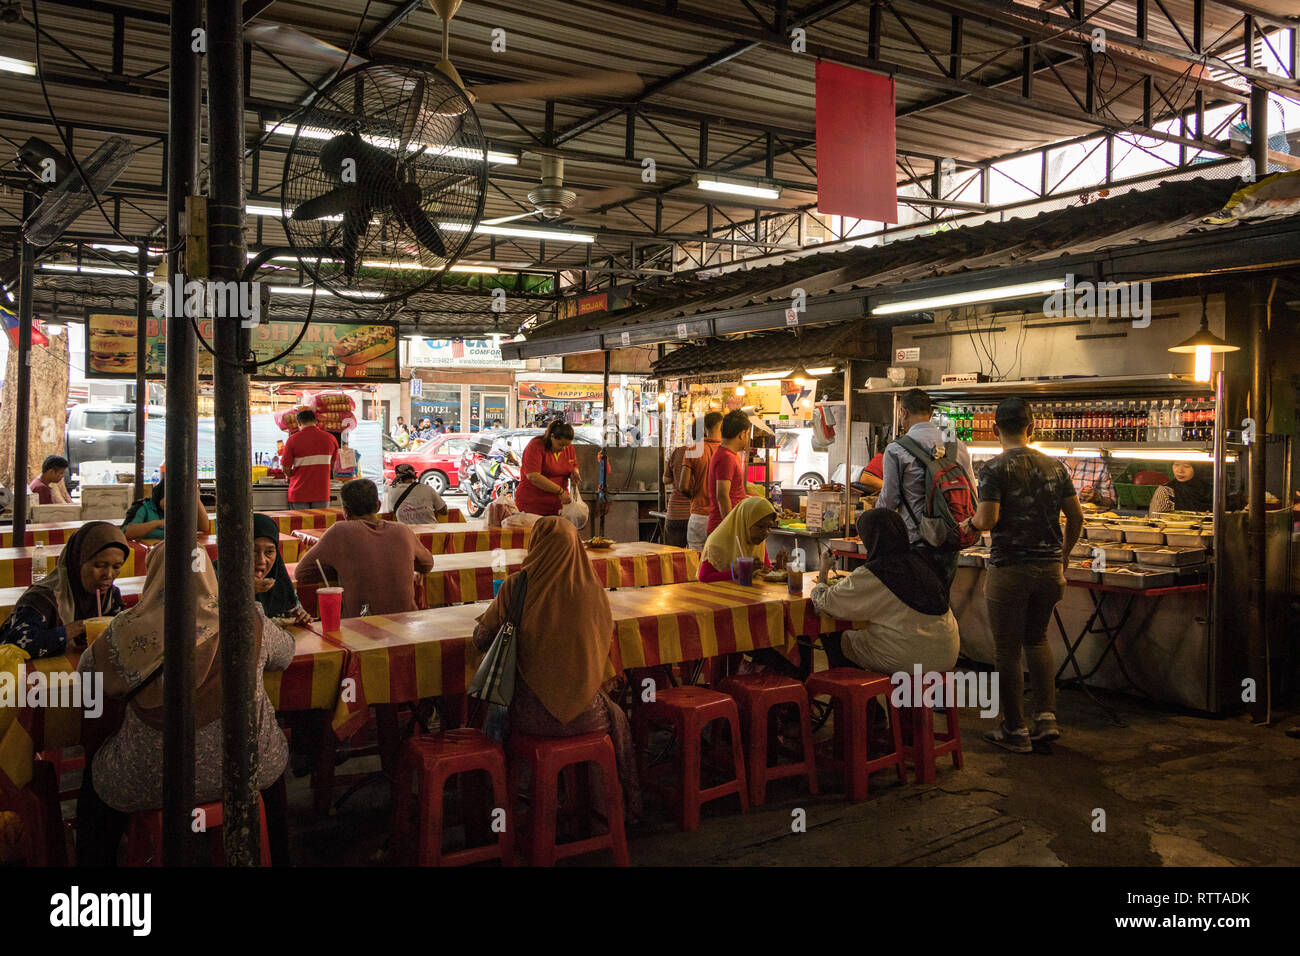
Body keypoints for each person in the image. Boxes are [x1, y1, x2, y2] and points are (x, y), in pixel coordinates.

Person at [75, 541, 293, 865]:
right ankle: (277, 854)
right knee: (266, 762)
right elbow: (285, 653)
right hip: (244, 772)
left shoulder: (124, 630)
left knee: (96, 787)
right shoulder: (247, 619)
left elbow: (87, 674)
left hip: (151, 780)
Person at [471, 516, 640, 818]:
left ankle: (503, 809)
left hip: (528, 718)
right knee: (613, 710)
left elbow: (481, 640)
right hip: (589, 718)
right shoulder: (593, 589)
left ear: (535, 545)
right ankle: (605, 812)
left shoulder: (516, 586)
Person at [962, 397, 1083, 753]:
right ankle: (1047, 719)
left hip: (1010, 569)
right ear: (1032, 428)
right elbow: (1076, 518)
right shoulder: (1056, 466)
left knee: (1007, 649)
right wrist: (1063, 556)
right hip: (1049, 570)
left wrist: (965, 524)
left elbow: (987, 520)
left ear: (996, 430)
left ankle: (1014, 729)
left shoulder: (993, 469)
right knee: (1037, 640)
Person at [811, 510, 959, 674]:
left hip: (908, 658)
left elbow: (824, 604)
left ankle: (852, 696)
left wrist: (823, 569)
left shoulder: (874, 573)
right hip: (947, 653)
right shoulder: (923, 562)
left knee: (832, 633)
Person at [876, 388, 974, 592]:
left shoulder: (896, 449)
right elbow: (972, 492)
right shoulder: (957, 445)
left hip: (917, 540)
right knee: (941, 601)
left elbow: (888, 502)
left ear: (903, 413)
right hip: (951, 539)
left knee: (918, 605)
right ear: (931, 414)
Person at [295, 478, 435, 618]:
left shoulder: (340, 531)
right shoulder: (402, 530)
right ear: (378, 506)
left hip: (359, 625)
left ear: (346, 511)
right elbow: (427, 564)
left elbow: (301, 573)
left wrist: (345, 569)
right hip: (406, 623)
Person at [0, 522, 129, 658]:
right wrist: (80, 626)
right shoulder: (42, 599)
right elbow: (16, 645)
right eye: (100, 565)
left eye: (116, 567)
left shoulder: (110, 597)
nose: (108, 575)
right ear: (77, 562)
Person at [698, 496, 779, 582]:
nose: (766, 532)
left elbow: (765, 569)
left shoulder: (757, 540)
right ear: (745, 522)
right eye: (760, 526)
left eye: (769, 527)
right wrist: (736, 572)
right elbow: (704, 578)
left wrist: (778, 568)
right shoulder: (718, 543)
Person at [253, 513, 312, 625]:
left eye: (269, 552)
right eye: (253, 551)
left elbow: (294, 612)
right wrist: (244, 591)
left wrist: (301, 618)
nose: (261, 560)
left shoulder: (280, 583)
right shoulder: (215, 580)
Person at [516, 419, 581, 517]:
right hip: (533, 504)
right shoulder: (536, 446)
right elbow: (533, 476)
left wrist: (575, 472)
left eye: (566, 445)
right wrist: (560, 491)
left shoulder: (568, 447)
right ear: (552, 437)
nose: (563, 448)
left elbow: (574, 465)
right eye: (560, 445)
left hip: (558, 505)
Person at [280, 408, 339, 510]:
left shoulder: (292, 440)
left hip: (299, 492)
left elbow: (285, 468)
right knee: (320, 525)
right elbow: (332, 466)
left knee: (299, 524)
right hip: (321, 493)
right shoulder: (331, 439)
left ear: (299, 423)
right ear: (316, 422)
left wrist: (294, 475)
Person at [121, 477, 212, 541]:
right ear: (161, 495)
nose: (174, 504)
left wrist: (197, 499)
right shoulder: (143, 507)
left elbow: (203, 527)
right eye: (170, 499)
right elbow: (126, 533)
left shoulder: (181, 509)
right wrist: (158, 523)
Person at [706, 410, 752, 534]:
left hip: (723, 526)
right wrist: (731, 527)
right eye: (747, 434)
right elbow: (722, 495)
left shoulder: (728, 454)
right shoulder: (726, 457)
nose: (747, 439)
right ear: (742, 434)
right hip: (722, 528)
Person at [685, 412, 723, 550]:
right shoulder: (729, 452)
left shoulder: (693, 449)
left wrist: (695, 495)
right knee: (718, 563)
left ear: (705, 429)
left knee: (695, 563)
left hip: (698, 515)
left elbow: (683, 486)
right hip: (720, 517)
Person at [383, 463, 448, 524]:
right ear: (414, 475)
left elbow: (391, 512)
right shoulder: (427, 488)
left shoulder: (391, 491)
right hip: (430, 533)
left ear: (398, 477)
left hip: (406, 534)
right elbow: (444, 511)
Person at [1148, 460, 1212, 514]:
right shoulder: (1166, 491)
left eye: (1186, 466)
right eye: (1176, 465)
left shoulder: (1212, 490)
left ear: (1198, 468)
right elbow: (1155, 521)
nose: (1180, 470)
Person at [662, 443, 692, 548]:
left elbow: (666, 480)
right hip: (694, 514)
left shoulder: (678, 451)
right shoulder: (705, 452)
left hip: (675, 513)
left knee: (673, 558)